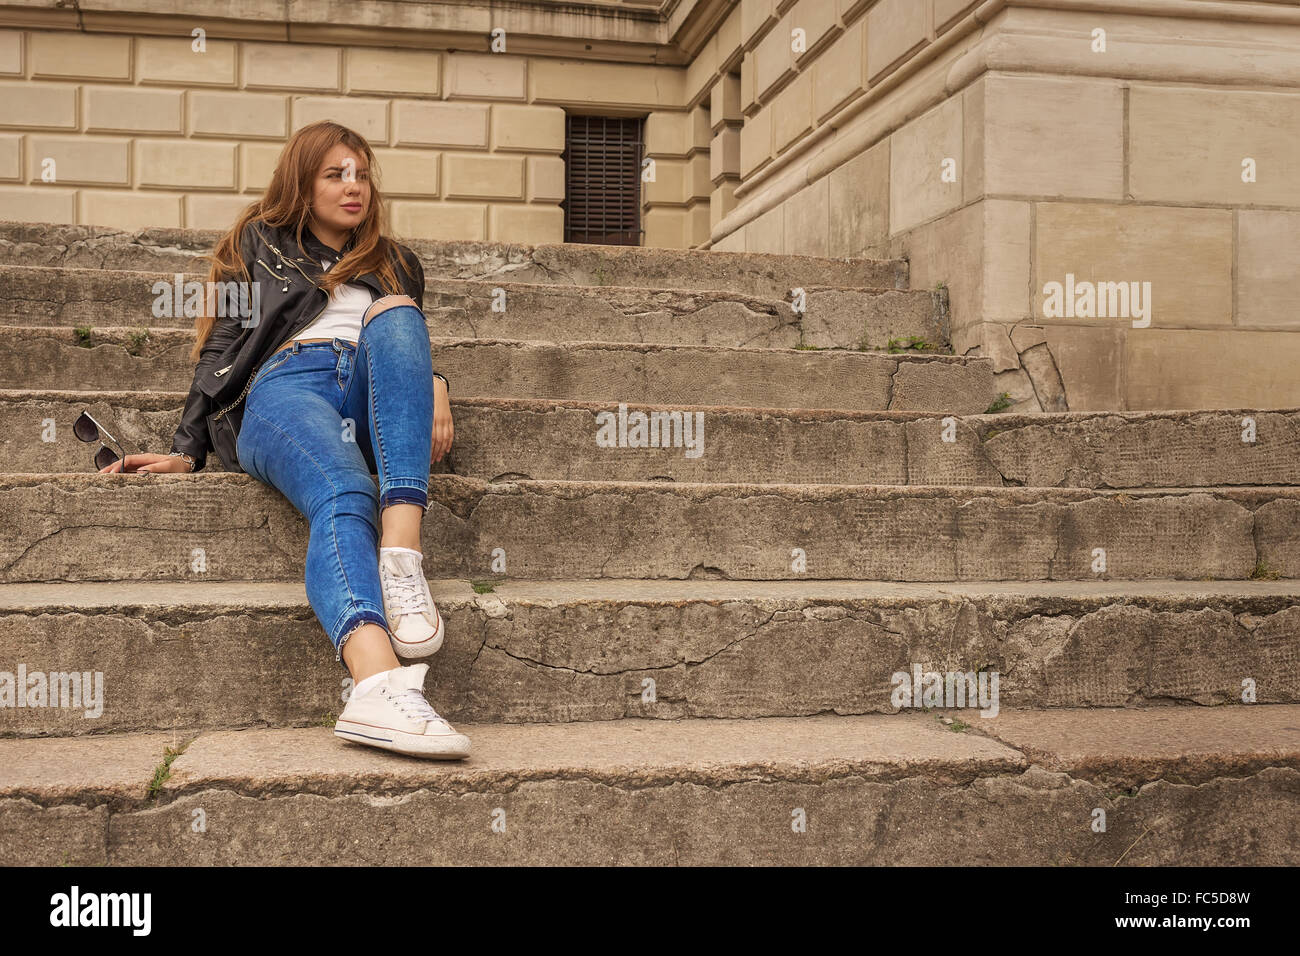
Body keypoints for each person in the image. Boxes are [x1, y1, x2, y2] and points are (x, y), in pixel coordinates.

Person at [101, 121, 469, 760]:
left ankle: (401, 558)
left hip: (367, 385)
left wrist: (436, 383)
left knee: (400, 313)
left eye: (361, 174)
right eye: (335, 174)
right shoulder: (260, 241)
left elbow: (403, 343)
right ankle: (377, 685)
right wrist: (189, 444)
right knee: (345, 486)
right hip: (284, 387)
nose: (354, 187)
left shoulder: (397, 261)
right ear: (302, 181)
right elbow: (224, 343)